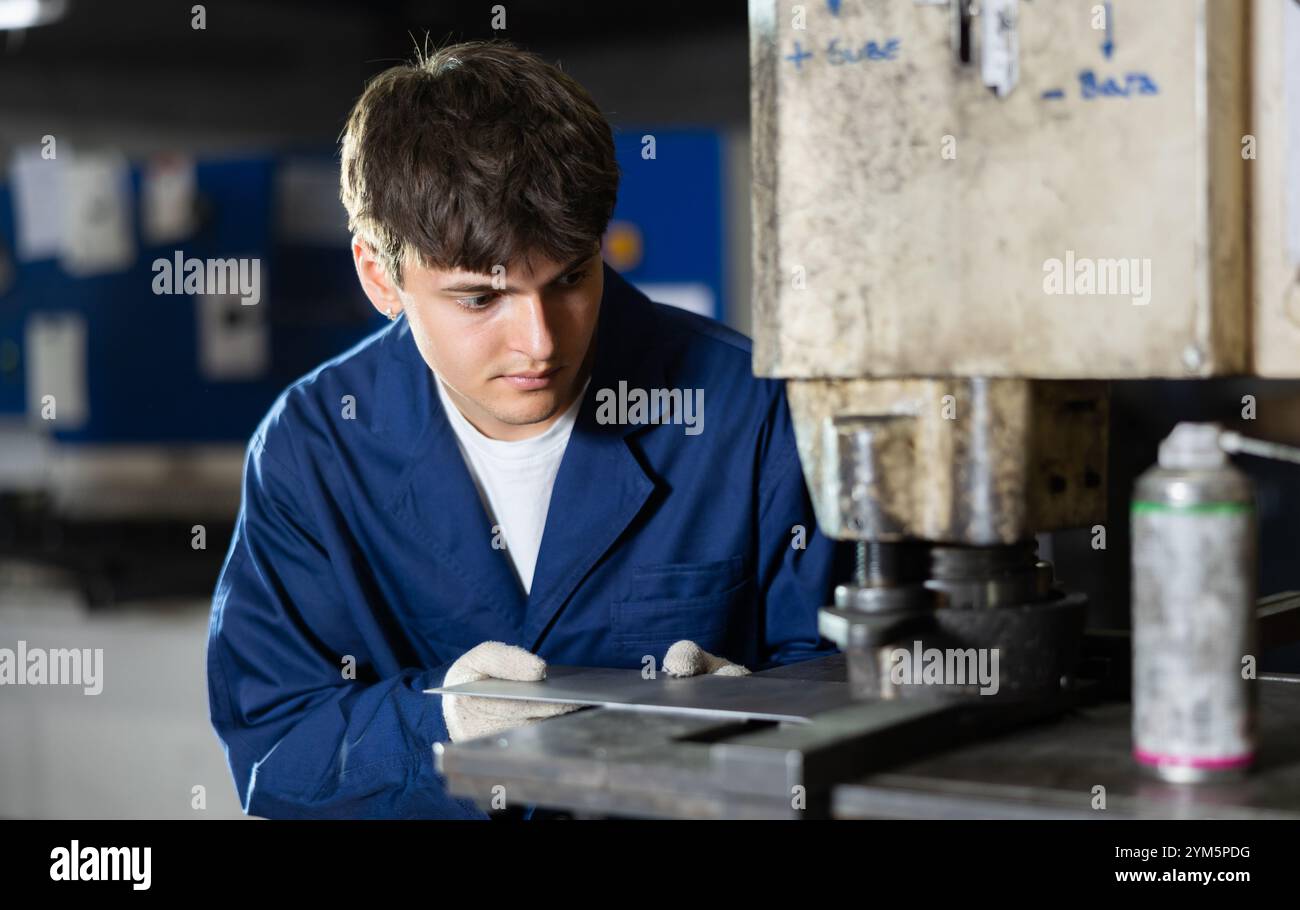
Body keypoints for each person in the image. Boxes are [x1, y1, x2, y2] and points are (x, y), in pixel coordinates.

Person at [207, 39, 848, 819]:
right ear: (381, 277)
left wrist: (765, 717)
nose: (541, 342)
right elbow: (276, 750)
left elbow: (861, 680)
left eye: (571, 278)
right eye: (481, 299)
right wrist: (437, 726)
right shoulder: (311, 450)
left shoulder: (748, 411)